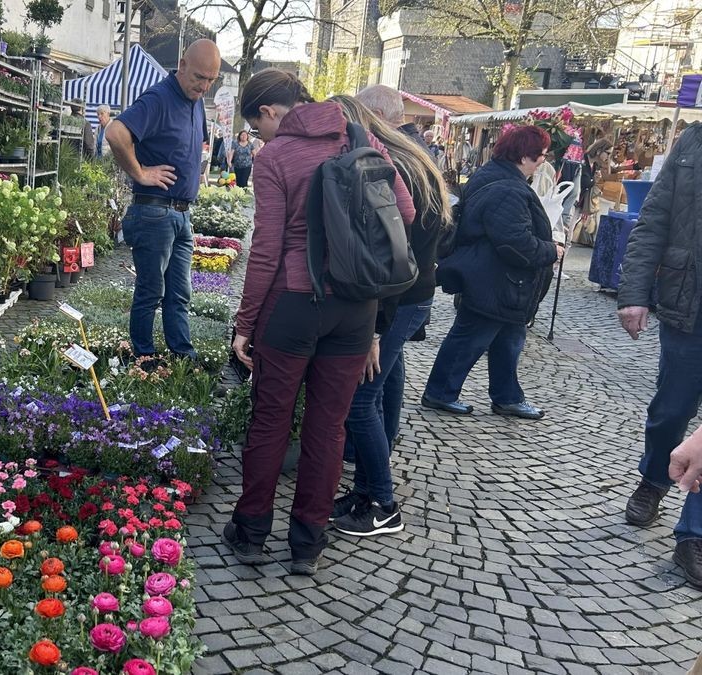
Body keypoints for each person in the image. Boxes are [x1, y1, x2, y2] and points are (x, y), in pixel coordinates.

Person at [224, 69, 415, 574]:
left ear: (270, 111)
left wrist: (245, 324)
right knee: (328, 428)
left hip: (293, 300)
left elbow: (265, 251)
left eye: (257, 125)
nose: (259, 137)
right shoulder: (362, 137)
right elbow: (406, 212)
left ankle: (250, 533)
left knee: (270, 421)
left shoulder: (276, 157)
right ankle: (307, 543)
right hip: (355, 307)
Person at [331, 94, 452, 537]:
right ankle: (365, 491)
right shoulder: (411, 156)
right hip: (412, 293)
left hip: (398, 299)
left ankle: (382, 503)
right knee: (375, 393)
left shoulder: (390, 165)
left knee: (360, 399)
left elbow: (385, 256)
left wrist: (376, 329)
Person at [422, 125, 564, 420]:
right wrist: (552, 250)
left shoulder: (494, 176)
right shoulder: (507, 188)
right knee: (470, 339)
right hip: (496, 282)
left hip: (501, 282)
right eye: (540, 156)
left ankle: (507, 397)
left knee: (508, 340)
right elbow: (515, 243)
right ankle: (440, 392)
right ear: (525, 156)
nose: (542, 162)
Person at [616, 124, 702, 589]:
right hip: (689, 309)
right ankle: (653, 478)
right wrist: (634, 294)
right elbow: (653, 222)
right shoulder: (691, 142)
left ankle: (695, 531)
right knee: (671, 409)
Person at [106, 39, 220, 361]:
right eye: (199, 77)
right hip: (155, 212)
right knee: (150, 292)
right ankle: (144, 358)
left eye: (211, 80)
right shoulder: (159, 97)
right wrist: (140, 172)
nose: (204, 86)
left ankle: (182, 356)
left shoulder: (195, 101)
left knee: (180, 294)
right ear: (182, 65)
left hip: (181, 214)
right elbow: (115, 134)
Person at [574, 139, 612, 245]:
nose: (608, 157)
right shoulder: (582, 160)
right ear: (599, 150)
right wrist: (593, 180)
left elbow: (589, 183)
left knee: (568, 235)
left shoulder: (594, 165)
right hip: (573, 201)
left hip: (580, 203)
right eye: (607, 153)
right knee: (566, 234)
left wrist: (594, 180)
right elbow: (583, 182)